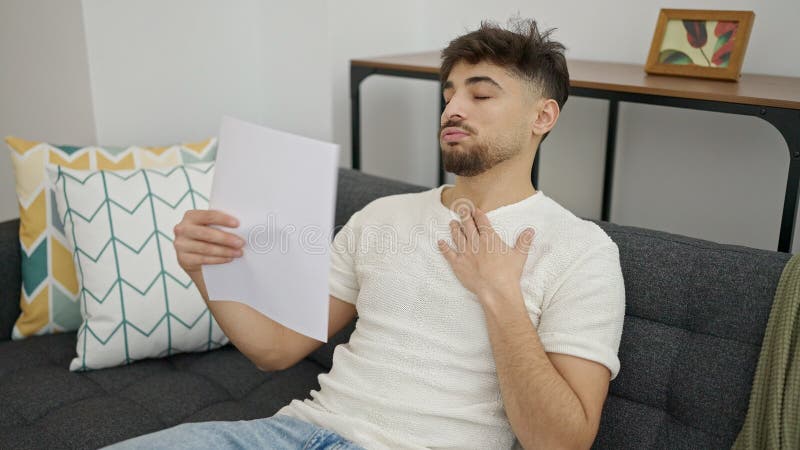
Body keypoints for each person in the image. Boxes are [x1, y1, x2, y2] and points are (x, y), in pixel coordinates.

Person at [106, 18, 625, 450]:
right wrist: (206, 271)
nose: (453, 109)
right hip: (296, 434)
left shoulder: (581, 251)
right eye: (448, 94)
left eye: (481, 94)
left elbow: (561, 442)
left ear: (543, 116)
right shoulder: (383, 217)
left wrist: (500, 295)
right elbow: (276, 350)